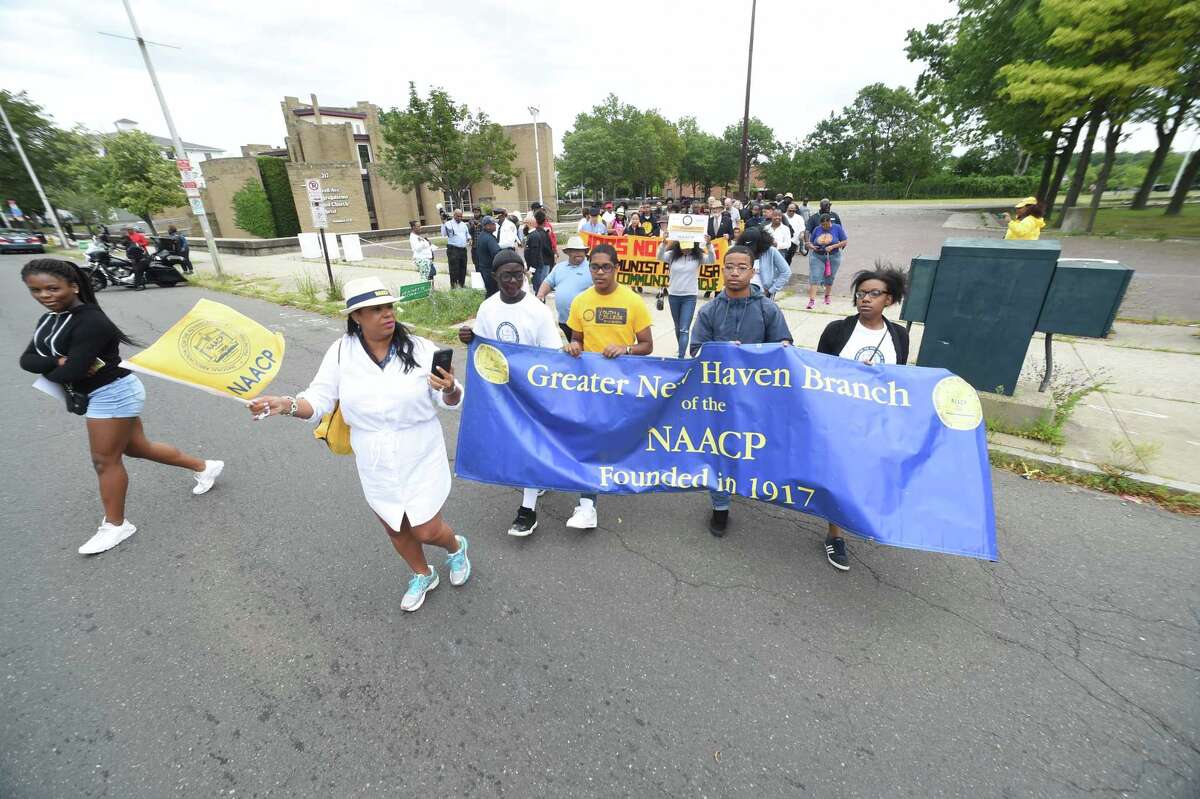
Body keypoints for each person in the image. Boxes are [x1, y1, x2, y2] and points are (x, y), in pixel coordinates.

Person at [249, 276, 470, 612]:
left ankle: (456, 548)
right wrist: (287, 404)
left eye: (389, 307)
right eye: (375, 309)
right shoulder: (341, 353)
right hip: (373, 454)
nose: (386, 315)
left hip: (419, 448)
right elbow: (318, 399)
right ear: (356, 317)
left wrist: (450, 387)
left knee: (425, 528)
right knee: (395, 525)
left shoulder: (422, 348)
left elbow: (451, 400)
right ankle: (423, 573)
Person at [19, 259, 223, 555]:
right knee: (137, 447)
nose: (45, 296)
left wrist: (58, 365)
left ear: (73, 286)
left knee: (104, 461)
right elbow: (26, 360)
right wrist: (56, 362)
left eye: (52, 288)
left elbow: (71, 372)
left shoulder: (90, 321)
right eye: (35, 290)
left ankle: (116, 526)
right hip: (107, 391)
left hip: (112, 393)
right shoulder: (49, 320)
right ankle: (205, 467)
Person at [689, 245, 793, 537]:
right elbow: (696, 351)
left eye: (741, 267)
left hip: (758, 400)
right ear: (722, 269)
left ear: (752, 270)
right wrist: (721, 351)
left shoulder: (768, 309)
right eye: (729, 267)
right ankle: (720, 508)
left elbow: (784, 350)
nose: (734, 272)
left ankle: (754, 486)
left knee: (754, 448)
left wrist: (779, 348)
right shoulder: (709, 310)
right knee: (720, 451)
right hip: (719, 399)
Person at [458, 252, 562, 536]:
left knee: (525, 445)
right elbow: (483, 347)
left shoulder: (538, 311)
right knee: (515, 444)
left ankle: (527, 511)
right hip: (502, 392)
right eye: (507, 275)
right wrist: (469, 337)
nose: (514, 280)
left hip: (531, 392)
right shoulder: (488, 309)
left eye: (519, 274)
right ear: (496, 278)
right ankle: (538, 479)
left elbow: (551, 355)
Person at [815, 264, 910, 571]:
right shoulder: (837, 331)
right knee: (840, 476)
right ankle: (835, 534)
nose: (865, 299)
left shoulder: (900, 336)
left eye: (874, 294)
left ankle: (867, 519)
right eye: (861, 293)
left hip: (876, 420)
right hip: (840, 419)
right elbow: (818, 373)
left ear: (890, 300)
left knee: (868, 473)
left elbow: (899, 377)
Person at [563, 243, 654, 530]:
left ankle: (624, 474)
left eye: (605, 267)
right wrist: (574, 346)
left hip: (624, 385)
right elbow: (577, 338)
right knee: (591, 439)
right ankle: (587, 504)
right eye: (594, 267)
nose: (599, 272)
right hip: (591, 385)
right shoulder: (580, 302)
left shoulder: (633, 301)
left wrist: (625, 349)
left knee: (619, 438)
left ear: (616, 268)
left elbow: (647, 345)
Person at [657, 231, 714, 357]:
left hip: (690, 296)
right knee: (678, 327)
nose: (686, 250)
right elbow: (659, 257)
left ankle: (681, 356)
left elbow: (711, 260)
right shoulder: (672, 255)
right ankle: (680, 347)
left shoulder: (697, 257)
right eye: (684, 247)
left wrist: (709, 245)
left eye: (688, 247)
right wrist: (663, 242)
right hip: (673, 295)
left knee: (684, 328)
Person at [537, 235, 592, 341]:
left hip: (585, 322)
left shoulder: (592, 268)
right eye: (575, 250)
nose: (579, 253)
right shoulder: (559, 268)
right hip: (564, 321)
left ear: (585, 252)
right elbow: (548, 282)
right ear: (568, 252)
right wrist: (540, 295)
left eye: (581, 251)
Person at [736, 226, 792, 299]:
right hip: (741, 292)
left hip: (763, 294)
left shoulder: (771, 251)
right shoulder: (739, 252)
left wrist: (771, 290)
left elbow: (786, 272)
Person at [807, 213, 848, 309]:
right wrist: (812, 246)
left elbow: (844, 241)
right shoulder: (817, 229)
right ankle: (811, 300)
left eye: (827, 225)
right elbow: (810, 242)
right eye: (823, 225)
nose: (825, 227)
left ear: (830, 222)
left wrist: (833, 246)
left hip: (833, 256)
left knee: (829, 277)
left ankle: (827, 296)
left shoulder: (837, 228)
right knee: (815, 277)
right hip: (817, 256)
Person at [524, 209, 555, 293]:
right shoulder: (540, 233)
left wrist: (532, 268)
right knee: (539, 287)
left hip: (541, 263)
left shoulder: (535, 234)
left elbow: (534, 252)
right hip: (543, 262)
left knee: (539, 288)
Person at [441, 208, 472, 289]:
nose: (459, 218)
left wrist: (469, 239)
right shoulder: (448, 223)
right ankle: (454, 286)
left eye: (461, 216)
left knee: (463, 267)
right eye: (458, 216)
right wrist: (443, 223)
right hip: (453, 249)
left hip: (462, 249)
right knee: (454, 268)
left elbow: (467, 234)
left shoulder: (463, 224)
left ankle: (462, 284)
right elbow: (444, 234)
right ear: (454, 215)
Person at [473, 215, 501, 297]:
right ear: (487, 226)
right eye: (493, 224)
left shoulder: (482, 235)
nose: (495, 225)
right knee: (494, 294)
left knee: (490, 292)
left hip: (484, 269)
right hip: (490, 271)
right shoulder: (489, 238)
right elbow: (497, 253)